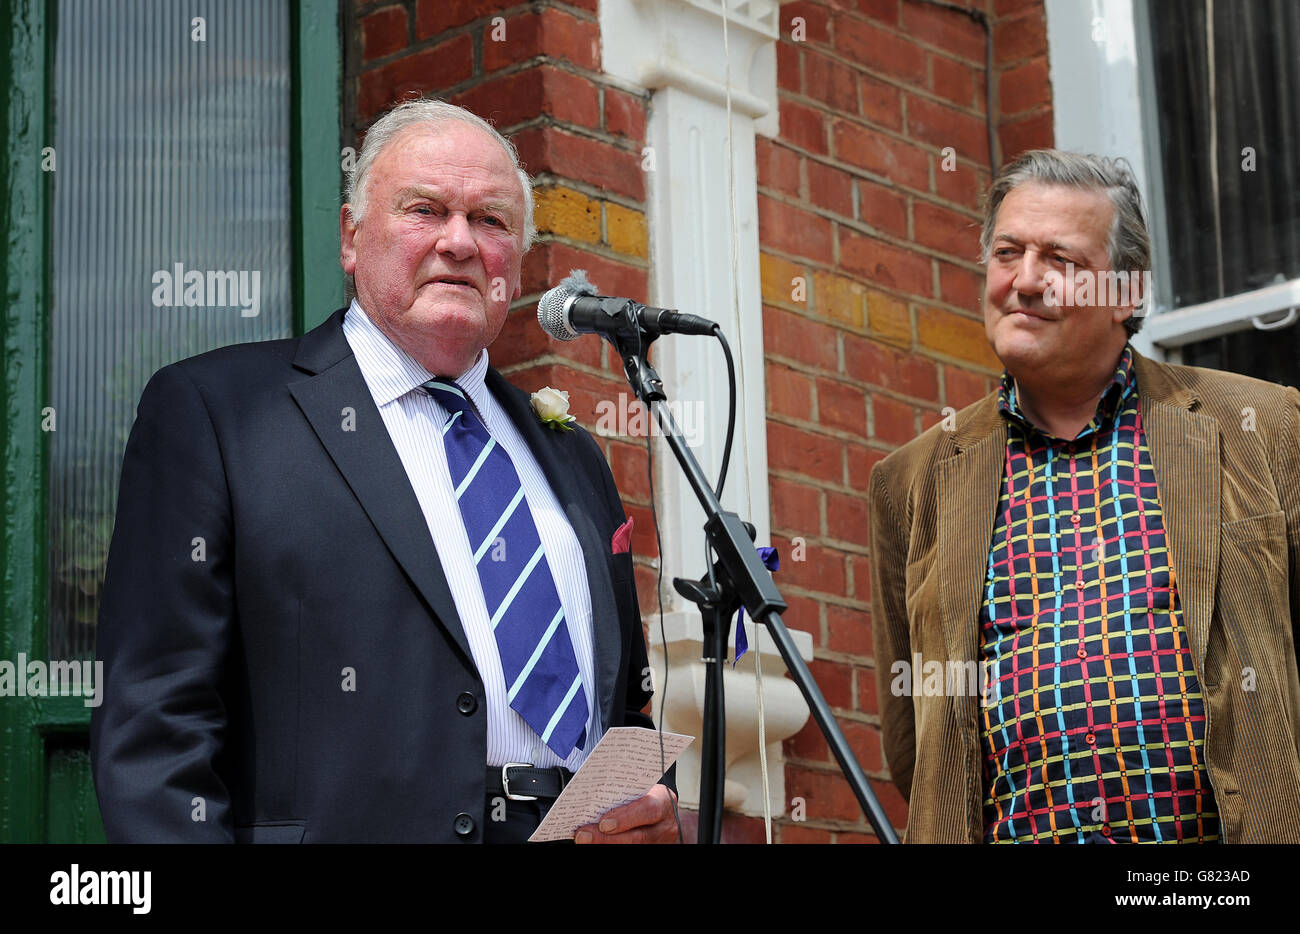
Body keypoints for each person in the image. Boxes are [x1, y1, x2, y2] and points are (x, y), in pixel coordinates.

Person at [91, 99, 676, 844]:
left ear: (518, 264)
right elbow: (155, 731)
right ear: (350, 237)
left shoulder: (571, 455)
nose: (459, 242)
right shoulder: (218, 414)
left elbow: (624, 711)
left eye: (491, 221)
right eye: (425, 210)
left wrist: (652, 814)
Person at [869, 149, 1300, 843]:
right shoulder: (913, 482)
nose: (1025, 281)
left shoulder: (1264, 430)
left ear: (1126, 295)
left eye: (1060, 261)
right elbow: (917, 751)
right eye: (1008, 252)